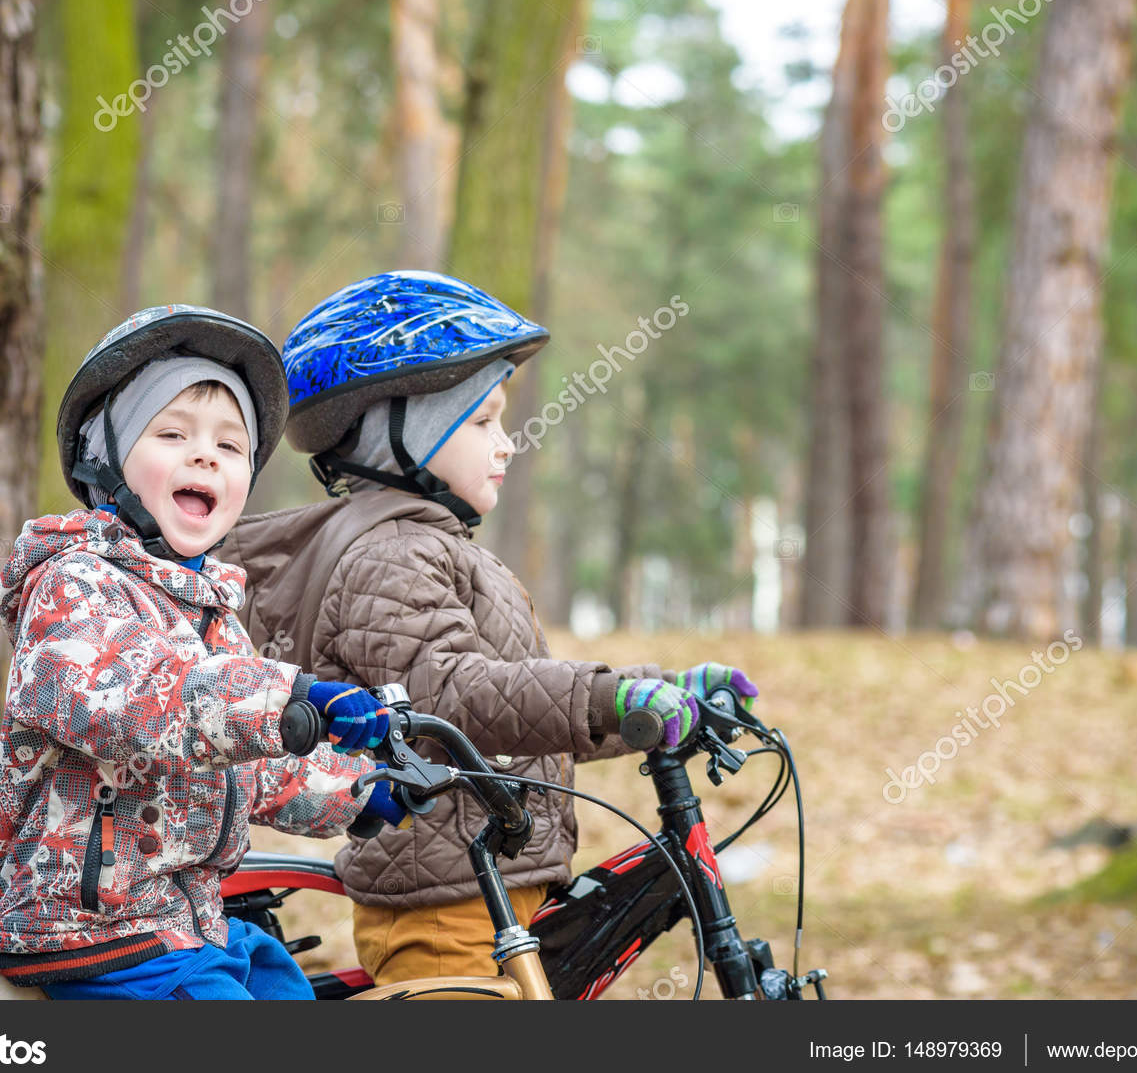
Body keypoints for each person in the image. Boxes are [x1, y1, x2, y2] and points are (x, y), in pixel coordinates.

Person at [231, 272, 760, 984]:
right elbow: (455, 696)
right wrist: (611, 698)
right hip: (444, 911)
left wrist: (660, 693)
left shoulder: (439, 549)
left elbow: (521, 714)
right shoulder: (387, 556)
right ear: (402, 438)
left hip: (497, 885)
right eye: (482, 423)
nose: (507, 444)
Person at [0, 304, 405, 1000]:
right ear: (105, 458)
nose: (205, 455)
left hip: (183, 918)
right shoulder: (73, 585)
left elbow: (249, 766)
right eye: (171, 434)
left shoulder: (211, 618)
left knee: (283, 984)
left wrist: (358, 790)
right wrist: (287, 696)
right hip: (84, 926)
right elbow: (136, 699)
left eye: (230, 447)